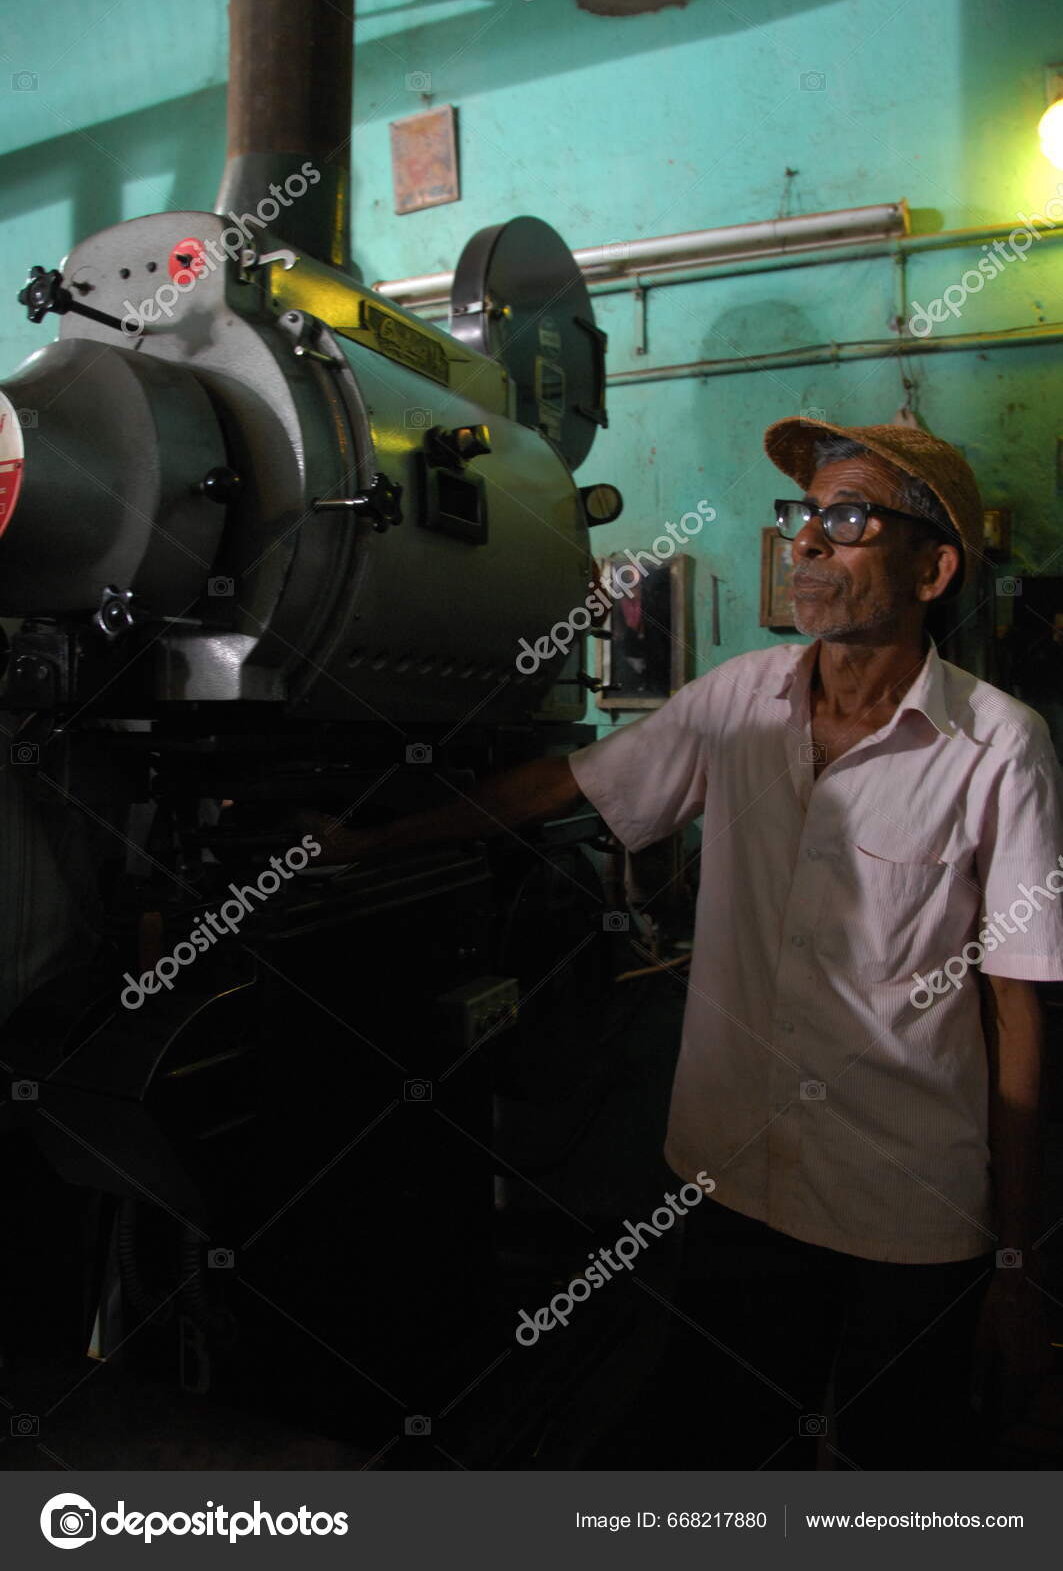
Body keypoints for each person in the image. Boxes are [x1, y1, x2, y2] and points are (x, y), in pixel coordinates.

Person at [313, 418, 1063, 1469]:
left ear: (932, 570)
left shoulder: (999, 745)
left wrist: (1020, 1266)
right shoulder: (735, 701)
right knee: (718, 1448)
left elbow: (1017, 1007)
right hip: (736, 1178)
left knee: (904, 1462)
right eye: (805, 516)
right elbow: (567, 782)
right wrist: (369, 842)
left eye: (849, 519)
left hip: (907, 1205)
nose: (808, 540)